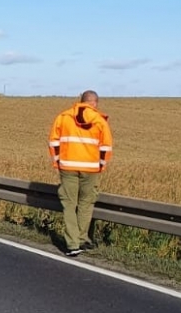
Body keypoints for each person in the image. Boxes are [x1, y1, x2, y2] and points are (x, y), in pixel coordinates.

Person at [48, 90, 113, 256]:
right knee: (86, 203)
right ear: (95, 103)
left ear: (81, 101)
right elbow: (105, 148)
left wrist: (58, 161)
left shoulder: (63, 117)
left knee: (69, 204)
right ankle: (83, 238)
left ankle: (72, 243)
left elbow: (53, 142)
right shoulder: (100, 120)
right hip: (91, 168)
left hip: (67, 166)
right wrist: (101, 166)